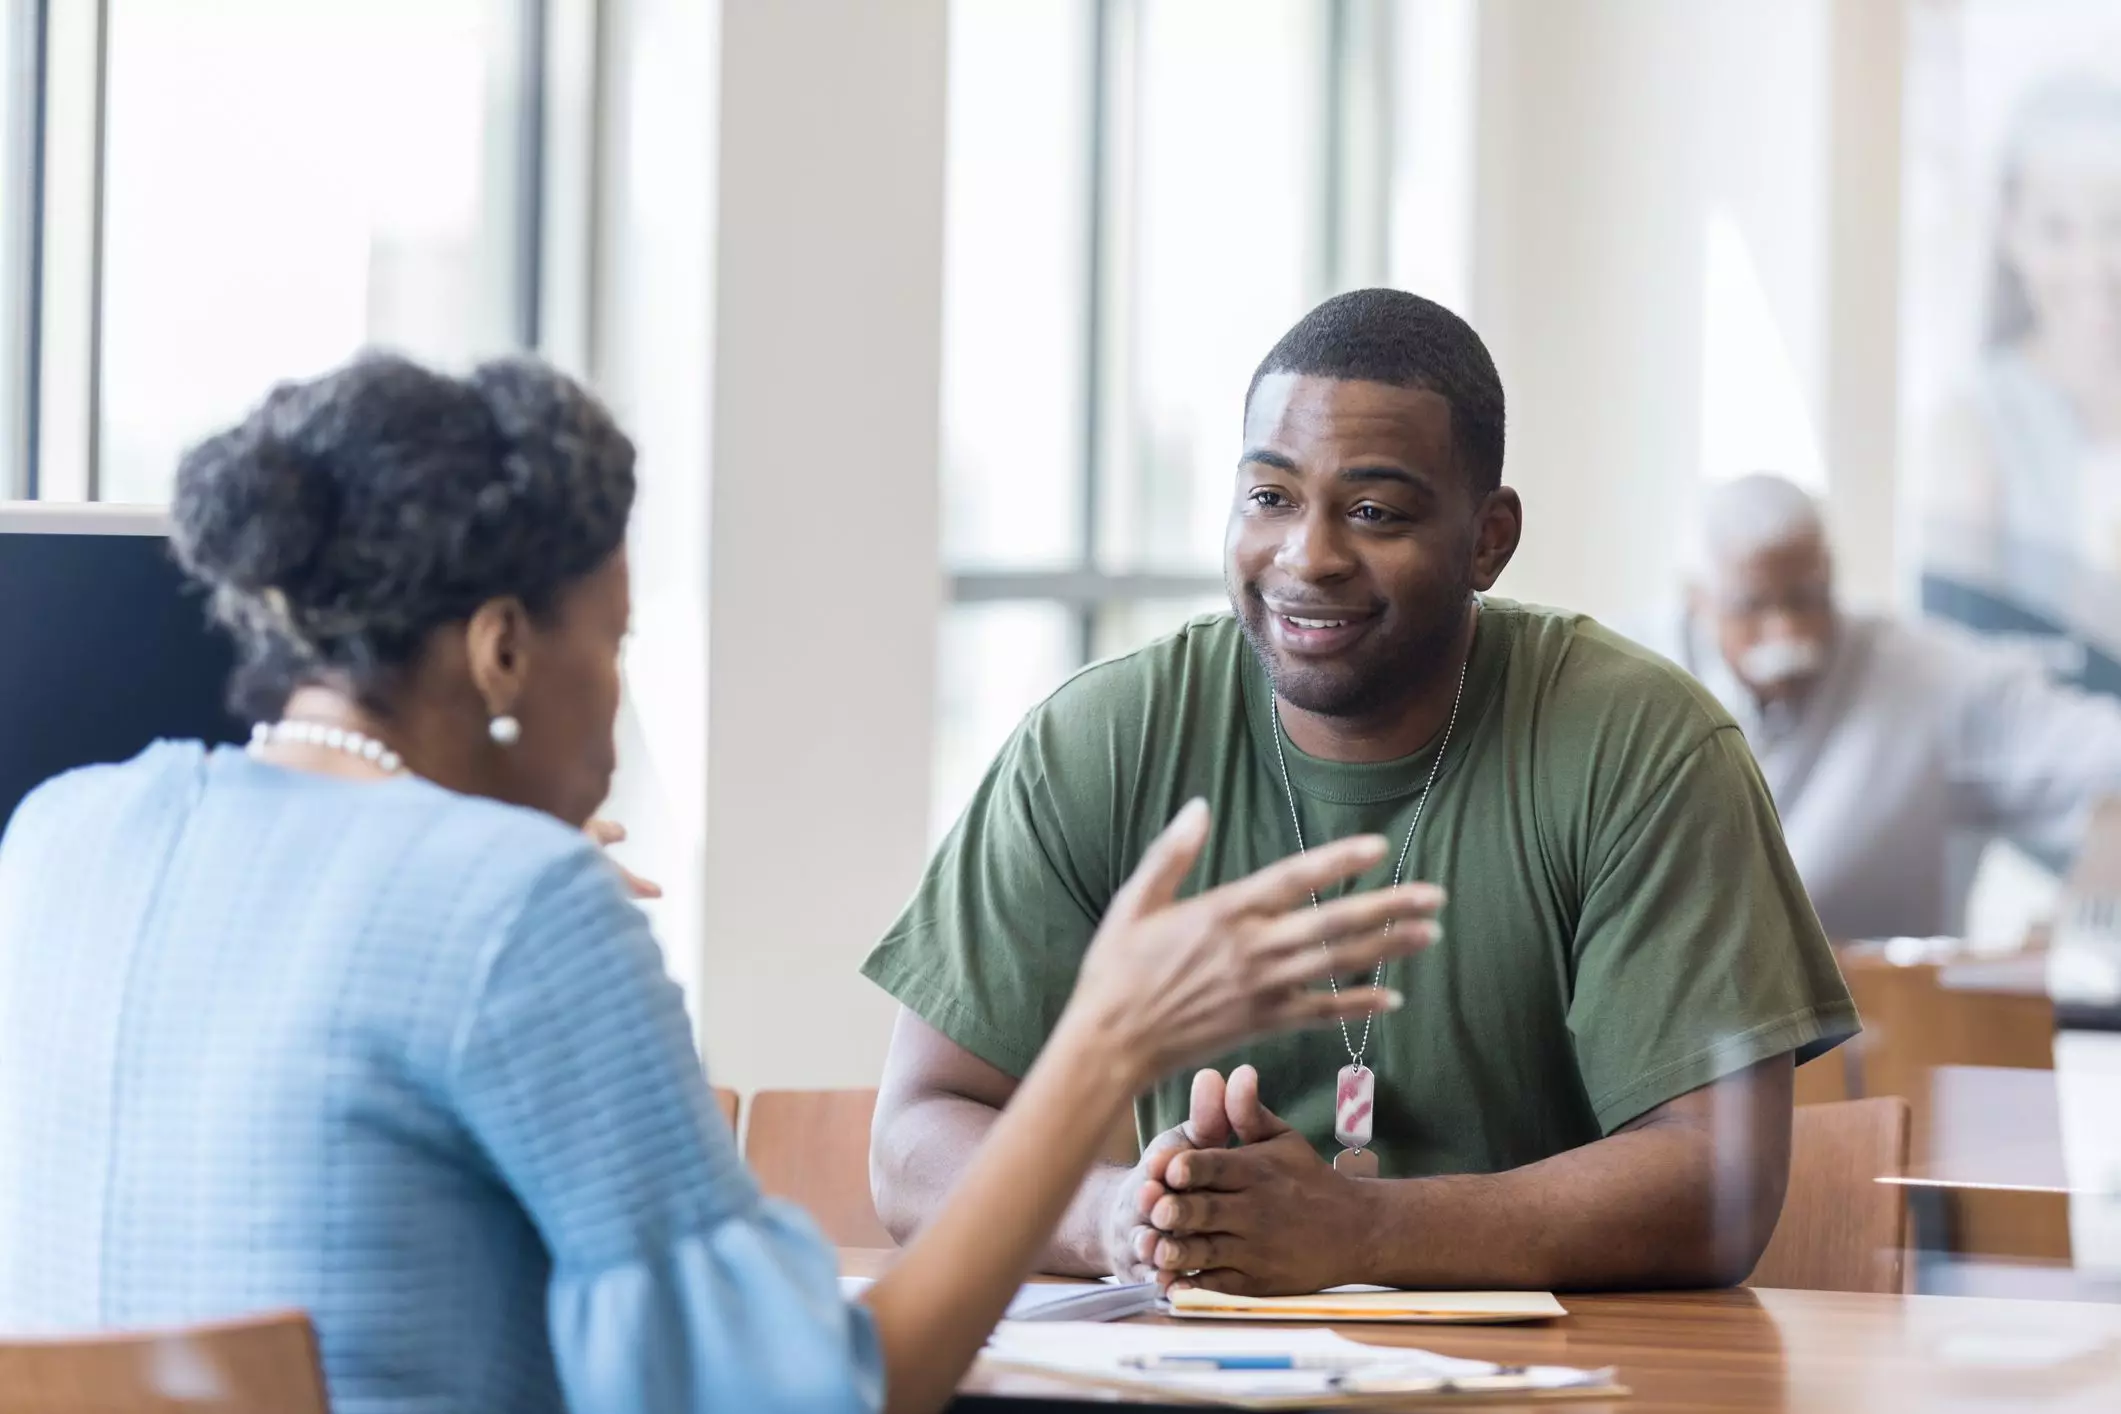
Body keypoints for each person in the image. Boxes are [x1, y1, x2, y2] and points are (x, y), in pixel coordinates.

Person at [0, 354, 1444, 1414]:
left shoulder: (57, 836)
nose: (618, 698)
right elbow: (829, 1392)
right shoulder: (513, 910)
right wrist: (1102, 1045)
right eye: (612, 640)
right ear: (502, 650)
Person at [864, 289, 1857, 1297]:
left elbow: (1720, 1178)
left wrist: (1366, 1232)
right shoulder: (1101, 742)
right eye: (1270, 498)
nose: (1309, 556)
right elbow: (915, 1136)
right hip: (1189, 1377)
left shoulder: (1645, 747)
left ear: (1489, 538)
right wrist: (1115, 1218)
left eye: (1375, 511)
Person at [1644, 472, 2121, 942]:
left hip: (1887, 1009)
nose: (1786, 630)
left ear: (1830, 572)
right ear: (1695, 600)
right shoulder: (1624, 690)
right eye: (1751, 605)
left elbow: (2096, 755)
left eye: (1807, 598)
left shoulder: (1927, 678)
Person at [1921, 75, 2121, 693]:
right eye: (2058, 230)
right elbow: (1965, 670)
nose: (2095, 264)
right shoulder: (1974, 423)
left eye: (2115, 224)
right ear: (2011, 231)